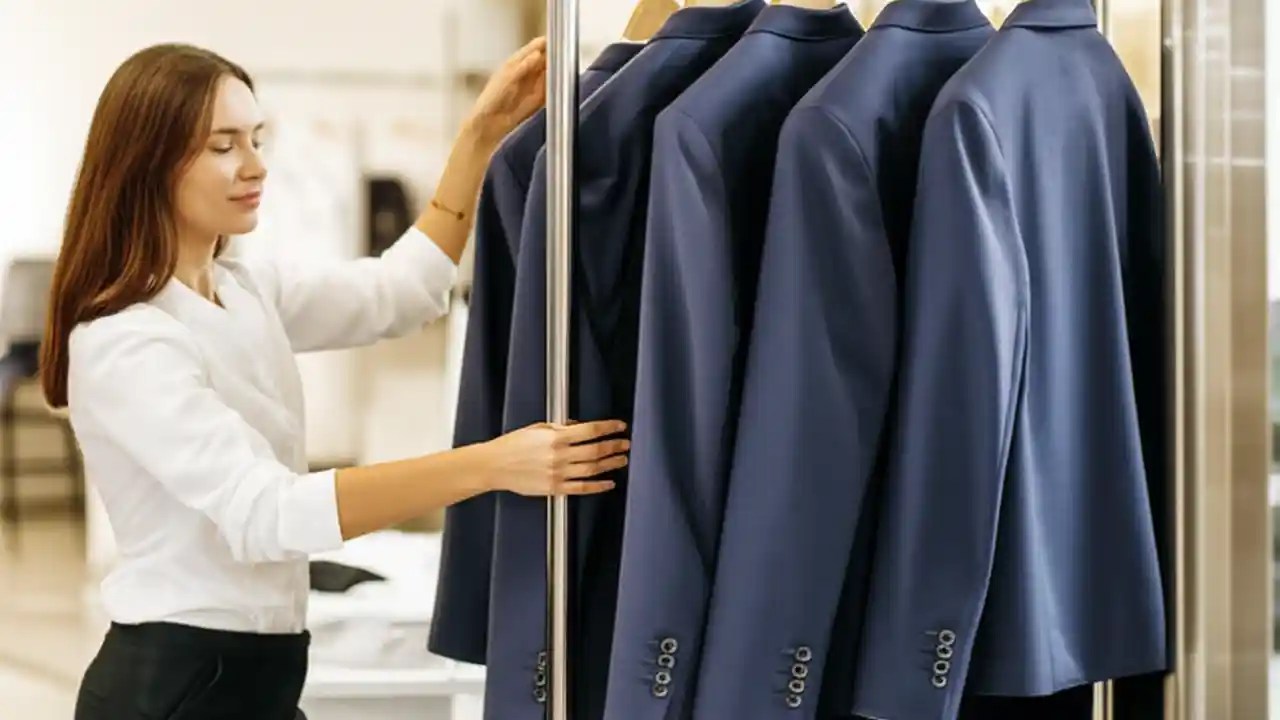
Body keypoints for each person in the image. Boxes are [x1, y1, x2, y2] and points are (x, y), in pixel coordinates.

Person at [39, 40, 629, 720]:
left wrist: (480, 134)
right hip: (177, 684)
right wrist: (494, 465)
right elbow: (272, 514)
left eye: (256, 138)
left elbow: (400, 291)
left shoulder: (242, 289)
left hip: (257, 678)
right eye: (222, 145)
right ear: (147, 163)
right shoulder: (126, 340)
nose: (255, 165)